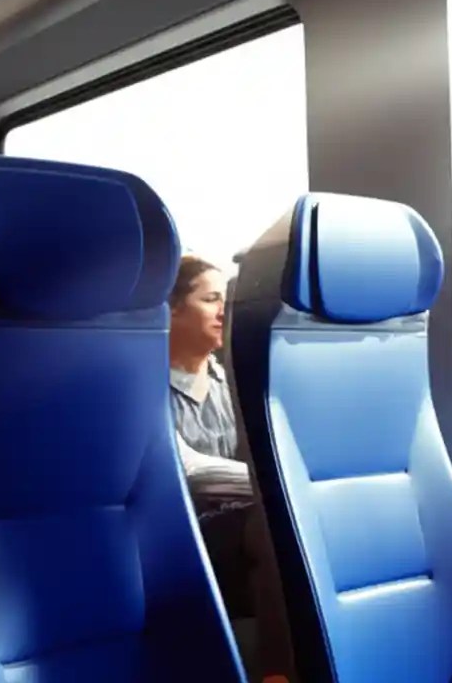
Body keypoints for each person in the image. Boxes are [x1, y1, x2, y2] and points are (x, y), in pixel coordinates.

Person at [168, 254, 292, 683]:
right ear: (173, 310)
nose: (224, 311)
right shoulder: (146, 385)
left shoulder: (231, 380)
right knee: (268, 526)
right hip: (186, 534)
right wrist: (277, 486)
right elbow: (190, 472)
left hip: (242, 519)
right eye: (210, 299)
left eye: (226, 299)